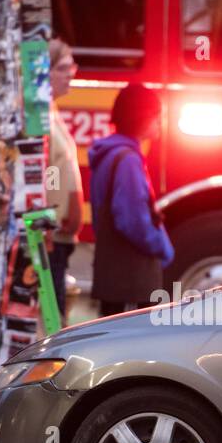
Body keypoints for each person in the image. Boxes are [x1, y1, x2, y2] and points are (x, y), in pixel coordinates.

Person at [88, 84, 173, 316]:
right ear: (143, 117)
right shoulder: (128, 160)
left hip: (111, 276)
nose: (160, 122)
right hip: (131, 281)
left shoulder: (109, 155)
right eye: (157, 115)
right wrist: (162, 247)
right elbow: (132, 220)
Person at [46, 39, 84, 321]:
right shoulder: (39, 120)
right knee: (50, 319)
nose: (71, 73)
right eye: (63, 68)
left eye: (72, 66)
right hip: (49, 240)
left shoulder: (53, 114)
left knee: (56, 316)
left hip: (60, 239)